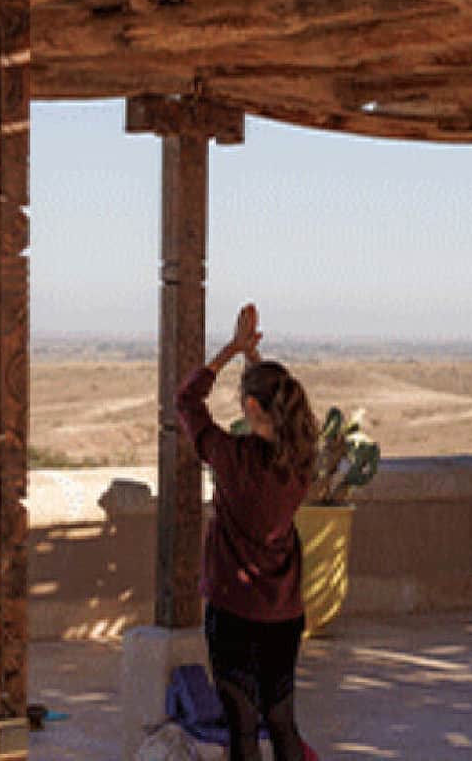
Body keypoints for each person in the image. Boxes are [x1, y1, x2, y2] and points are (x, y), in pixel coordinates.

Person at [175, 304, 319, 761]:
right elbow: (289, 409)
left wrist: (231, 351)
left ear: (252, 407)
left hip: (234, 611)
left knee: (242, 726)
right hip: (284, 612)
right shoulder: (301, 458)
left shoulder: (230, 456)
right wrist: (253, 361)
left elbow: (186, 402)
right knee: (281, 720)